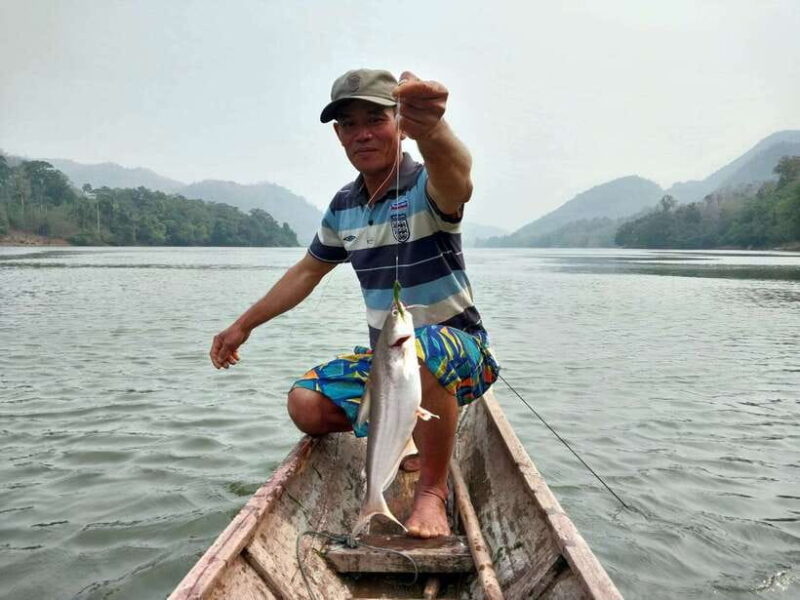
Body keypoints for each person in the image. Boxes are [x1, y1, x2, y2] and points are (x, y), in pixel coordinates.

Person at [209, 68, 499, 538]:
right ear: (339, 135)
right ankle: (401, 433)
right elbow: (307, 270)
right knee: (306, 405)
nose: (361, 133)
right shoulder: (344, 206)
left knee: (422, 347)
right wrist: (244, 325)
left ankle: (432, 492)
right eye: (347, 124)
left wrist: (435, 132)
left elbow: (458, 180)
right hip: (389, 360)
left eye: (375, 118)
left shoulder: (427, 185)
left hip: (462, 354)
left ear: (400, 123)